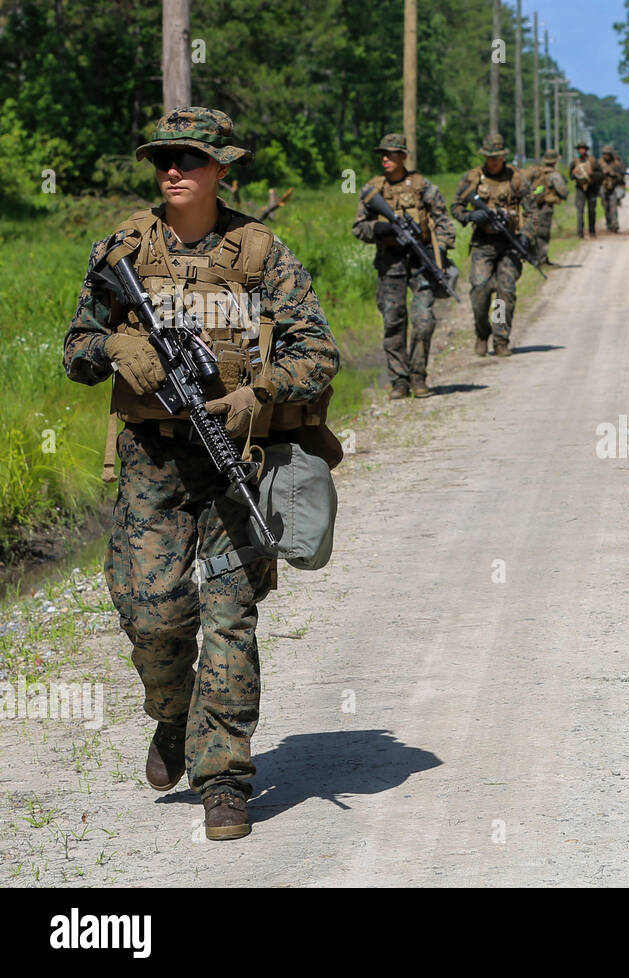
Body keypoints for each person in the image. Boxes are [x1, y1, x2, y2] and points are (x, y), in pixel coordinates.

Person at [62, 106, 340, 841]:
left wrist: (261, 393)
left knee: (228, 615)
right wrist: (118, 351)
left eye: (190, 159)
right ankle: (171, 713)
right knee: (153, 614)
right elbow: (76, 348)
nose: (173, 171)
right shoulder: (124, 248)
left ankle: (224, 779)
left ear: (223, 168)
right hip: (153, 460)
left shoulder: (261, 252)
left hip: (235, 459)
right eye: (164, 159)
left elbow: (318, 353)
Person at [352, 133, 457, 399]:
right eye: (382, 155)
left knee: (424, 320)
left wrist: (439, 252)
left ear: (403, 157)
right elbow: (358, 228)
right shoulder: (373, 189)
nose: (385, 159)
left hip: (421, 262)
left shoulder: (422, 186)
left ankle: (418, 376)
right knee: (393, 322)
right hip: (390, 264)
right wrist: (380, 227)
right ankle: (399, 381)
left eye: (390, 154)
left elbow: (444, 222)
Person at [451, 132, 539, 357]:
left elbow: (533, 212)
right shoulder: (472, 178)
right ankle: (482, 332)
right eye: (489, 157)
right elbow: (456, 207)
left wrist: (525, 236)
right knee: (479, 291)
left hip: (510, 243)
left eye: (497, 157)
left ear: (503, 157)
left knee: (505, 291)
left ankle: (501, 338)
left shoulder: (516, 178)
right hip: (483, 243)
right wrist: (471, 218)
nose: (493, 161)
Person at [528, 147, 568, 265]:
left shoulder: (537, 172)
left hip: (535, 205)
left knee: (536, 232)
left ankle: (536, 257)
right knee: (543, 233)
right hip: (546, 206)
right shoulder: (553, 174)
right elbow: (563, 191)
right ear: (555, 161)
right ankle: (542, 260)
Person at [569, 141, 603, 239]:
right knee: (580, 211)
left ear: (586, 150)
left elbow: (601, 174)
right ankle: (580, 233)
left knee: (591, 210)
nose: (581, 150)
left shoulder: (592, 161)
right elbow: (571, 176)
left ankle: (592, 232)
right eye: (579, 149)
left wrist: (592, 174)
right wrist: (574, 174)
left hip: (591, 188)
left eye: (583, 148)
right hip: (580, 188)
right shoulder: (575, 162)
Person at [599, 144, 626, 233]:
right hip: (604, 187)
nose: (605, 156)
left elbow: (621, 176)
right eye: (604, 154)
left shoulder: (617, 163)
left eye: (607, 154)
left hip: (614, 187)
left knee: (613, 207)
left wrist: (612, 173)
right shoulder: (600, 163)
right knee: (606, 207)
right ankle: (609, 224)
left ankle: (615, 224)